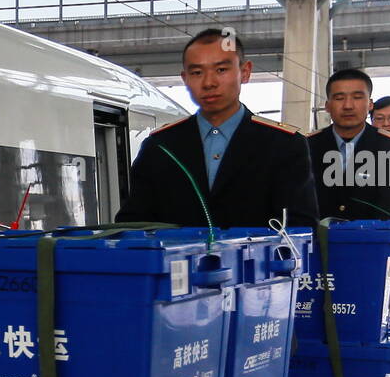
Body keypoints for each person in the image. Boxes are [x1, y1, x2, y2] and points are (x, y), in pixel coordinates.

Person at [116, 28, 318, 228]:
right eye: (197, 72)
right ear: (185, 79)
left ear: (245, 72)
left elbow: (300, 229)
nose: (209, 83)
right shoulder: (160, 147)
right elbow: (133, 225)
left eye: (221, 70)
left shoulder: (284, 145)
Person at [308, 68, 390, 221]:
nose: (348, 105)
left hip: (372, 241)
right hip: (315, 243)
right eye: (339, 98)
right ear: (327, 106)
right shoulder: (307, 146)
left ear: (370, 105)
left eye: (357, 97)